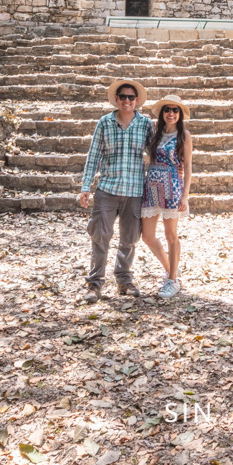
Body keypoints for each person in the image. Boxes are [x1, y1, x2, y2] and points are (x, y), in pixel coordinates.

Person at [79, 78, 153, 303]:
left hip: (134, 190)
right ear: (117, 99)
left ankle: (124, 280)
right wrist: (85, 187)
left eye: (131, 97)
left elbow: (155, 153)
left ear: (137, 100)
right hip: (107, 189)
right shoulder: (104, 122)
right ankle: (94, 284)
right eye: (123, 97)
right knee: (100, 236)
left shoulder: (145, 124)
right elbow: (94, 156)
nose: (127, 101)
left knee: (129, 239)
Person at [141, 95, 192, 299]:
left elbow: (188, 166)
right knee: (147, 236)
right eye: (167, 110)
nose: (171, 113)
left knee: (171, 235)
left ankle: (172, 281)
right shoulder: (156, 134)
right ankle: (171, 267)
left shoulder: (184, 135)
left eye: (175, 110)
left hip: (172, 185)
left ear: (180, 114)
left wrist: (185, 196)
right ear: (162, 113)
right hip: (152, 185)